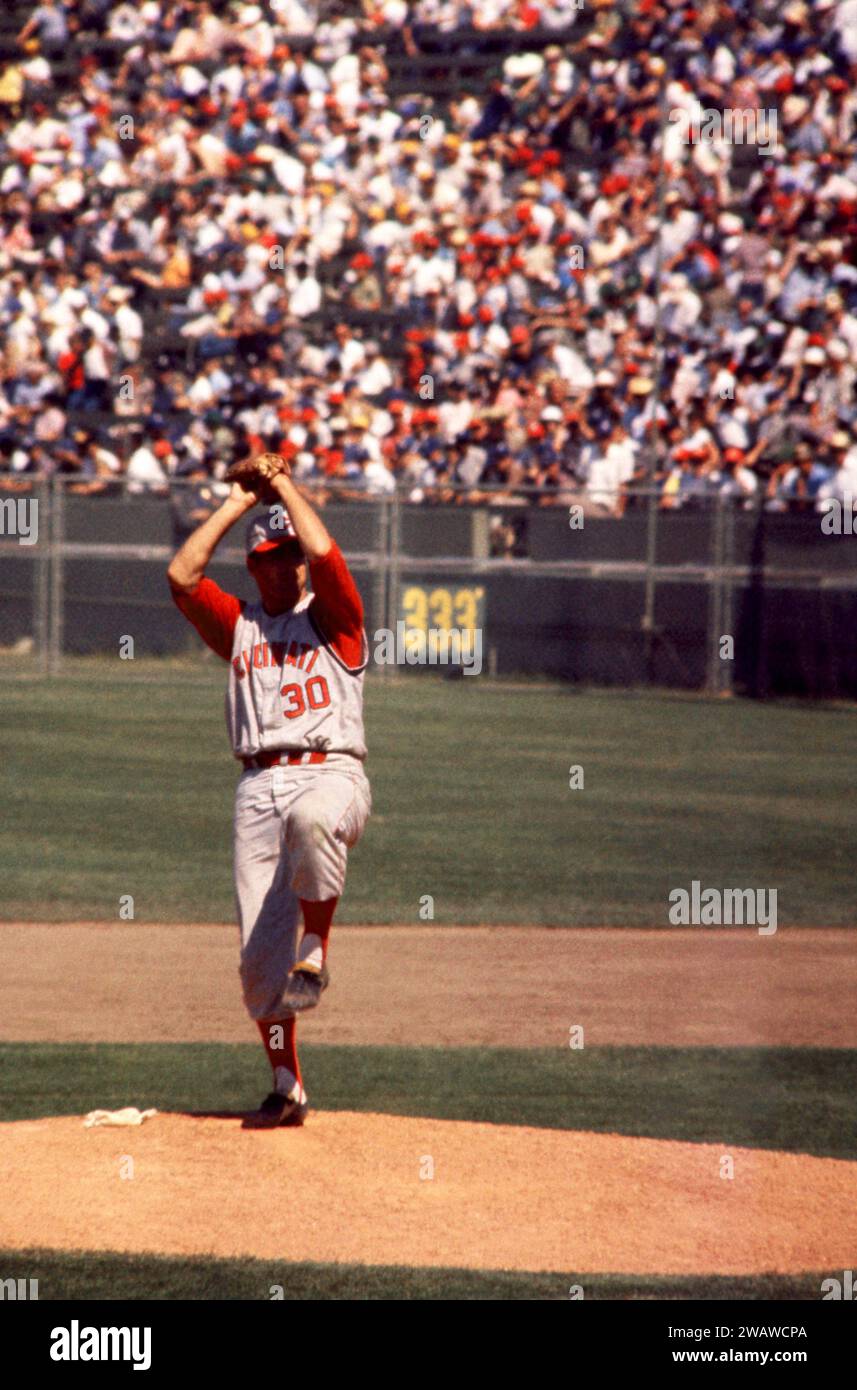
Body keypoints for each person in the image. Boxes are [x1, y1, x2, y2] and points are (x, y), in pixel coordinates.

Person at [166, 457, 371, 1128]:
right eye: (270, 560)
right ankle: (287, 1086)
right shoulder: (240, 625)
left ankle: (316, 949)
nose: (285, 567)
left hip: (331, 772)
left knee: (314, 820)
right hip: (255, 788)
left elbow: (324, 548)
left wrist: (281, 484)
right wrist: (233, 502)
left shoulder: (335, 618)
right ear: (253, 569)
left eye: (290, 559)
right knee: (257, 965)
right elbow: (181, 575)